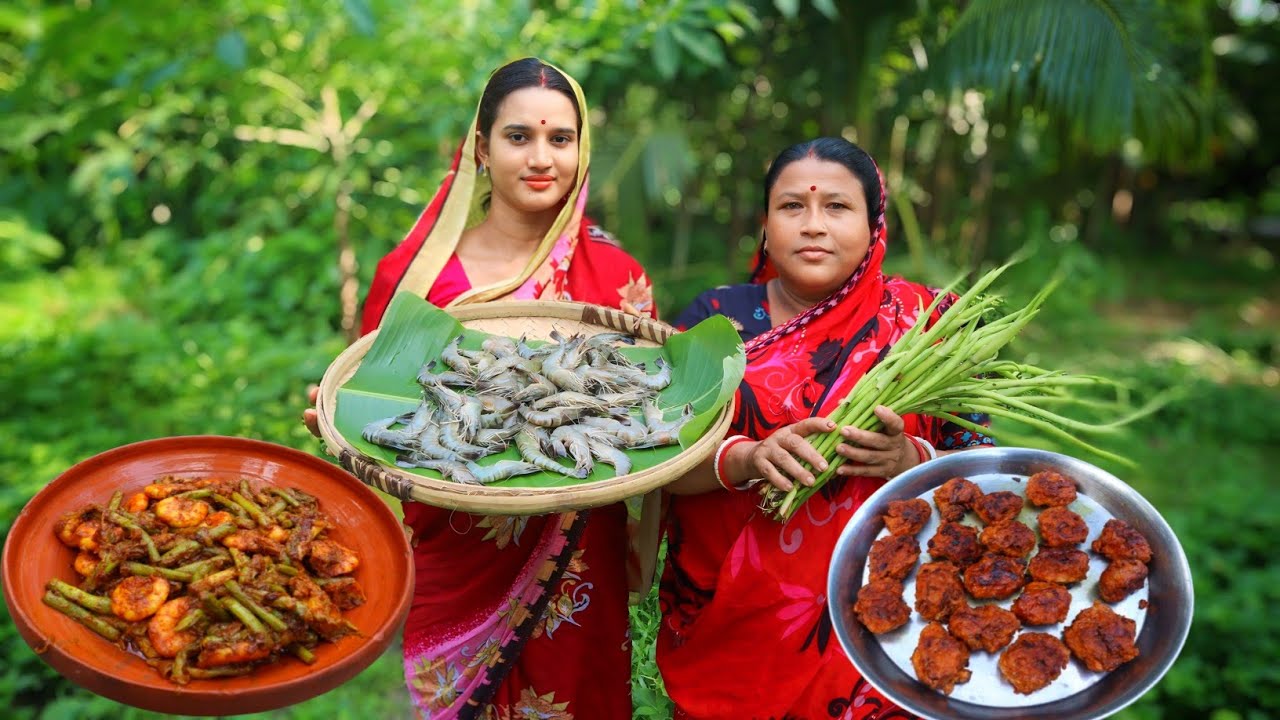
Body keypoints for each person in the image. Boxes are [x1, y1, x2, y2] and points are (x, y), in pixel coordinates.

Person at [305, 58, 656, 719]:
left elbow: (641, 418)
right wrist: (338, 424)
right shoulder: (418, 279)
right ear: (480, 149)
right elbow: (381, 408)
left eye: (561, 139)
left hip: (578, 557)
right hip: (459, 553)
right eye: (518, 137)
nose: (541, 157)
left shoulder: (615, 275)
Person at [656, 137, 994, 719]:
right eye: (792, 207)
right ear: (764, 224)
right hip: (734, 623)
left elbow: (984, 477)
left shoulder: (928, 325)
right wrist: (745, 457)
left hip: (886, 621)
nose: (813, 225)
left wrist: (908, 459)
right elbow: (656, 460)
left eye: (837, 207)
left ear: (873, 223)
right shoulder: (715, 320)